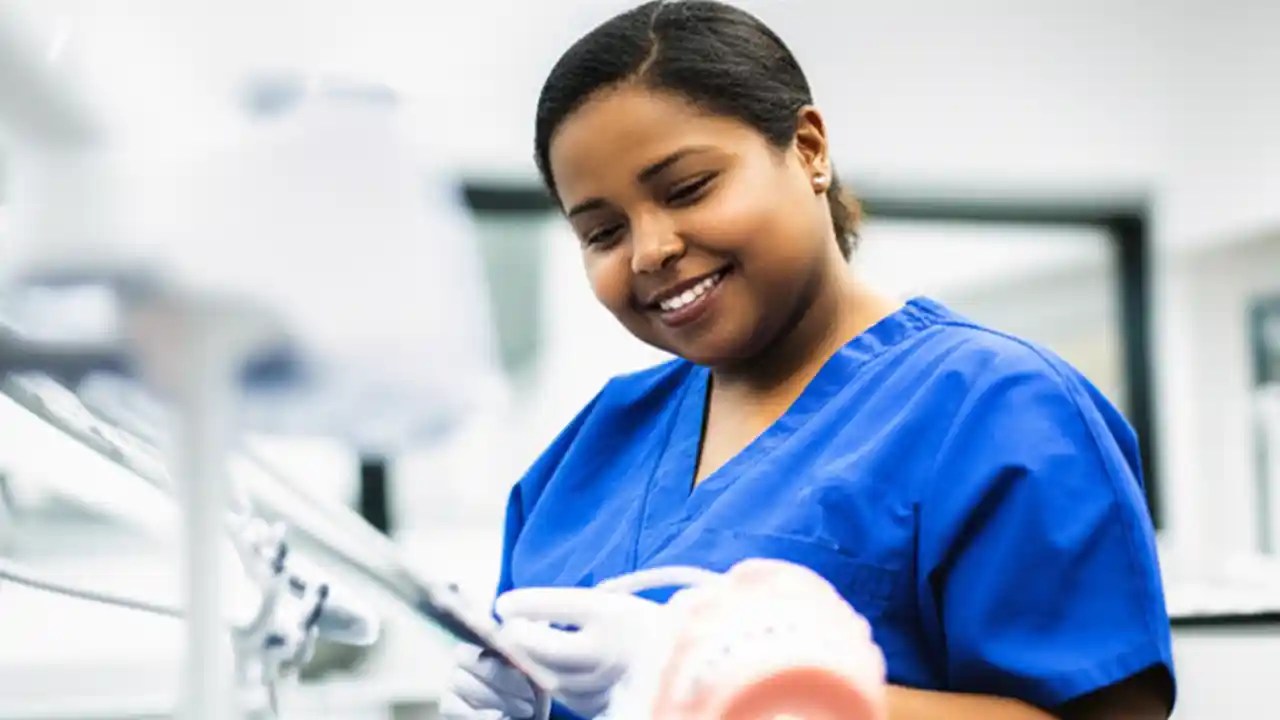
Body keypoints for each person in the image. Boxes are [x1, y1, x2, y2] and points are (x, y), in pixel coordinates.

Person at [441, 1, 1176, 718]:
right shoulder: (592, 449)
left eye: (689, 188)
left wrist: (743, 688)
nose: (651, 250)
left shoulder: (998, 408)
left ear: (809, 149)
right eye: (602, 233)